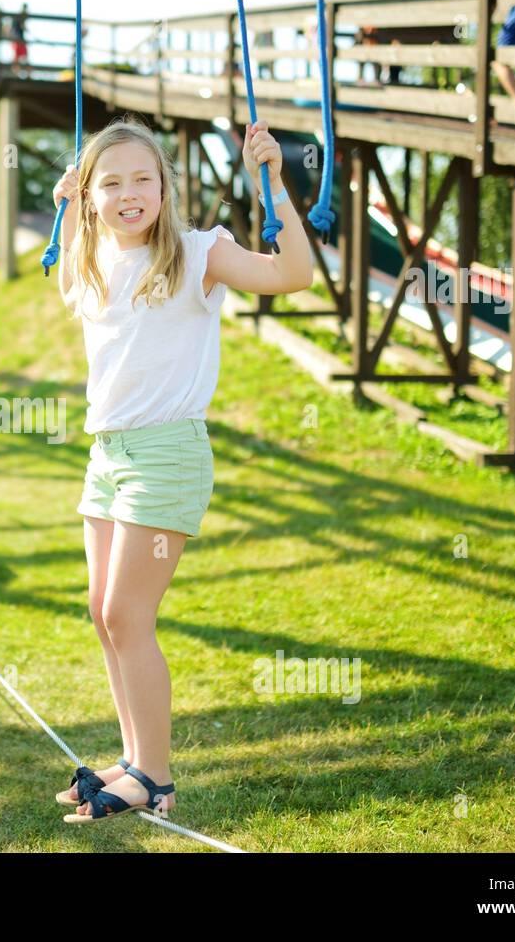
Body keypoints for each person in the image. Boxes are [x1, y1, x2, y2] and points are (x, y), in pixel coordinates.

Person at [51, 116, 312, 823]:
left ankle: (156, 780)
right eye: (111, 182)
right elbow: (68, 282)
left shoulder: (199, 253)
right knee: (104, 617)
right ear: (92, 196)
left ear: (165, 187)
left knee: (127, 614)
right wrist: (65, 213)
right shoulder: (95, 259)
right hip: (106, 456)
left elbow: (291, 275)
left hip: (166, 454)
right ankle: (135, 758)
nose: (129, 193)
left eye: (142, 179)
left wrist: (275, 187)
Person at [9, 4, 29, 75]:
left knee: (23, 56)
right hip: (17, 40)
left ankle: (20, 73)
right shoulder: (20, 17)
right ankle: (15, 73)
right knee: (18, 57)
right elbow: (20, 27)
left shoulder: (19, 17)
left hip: (19, 40)